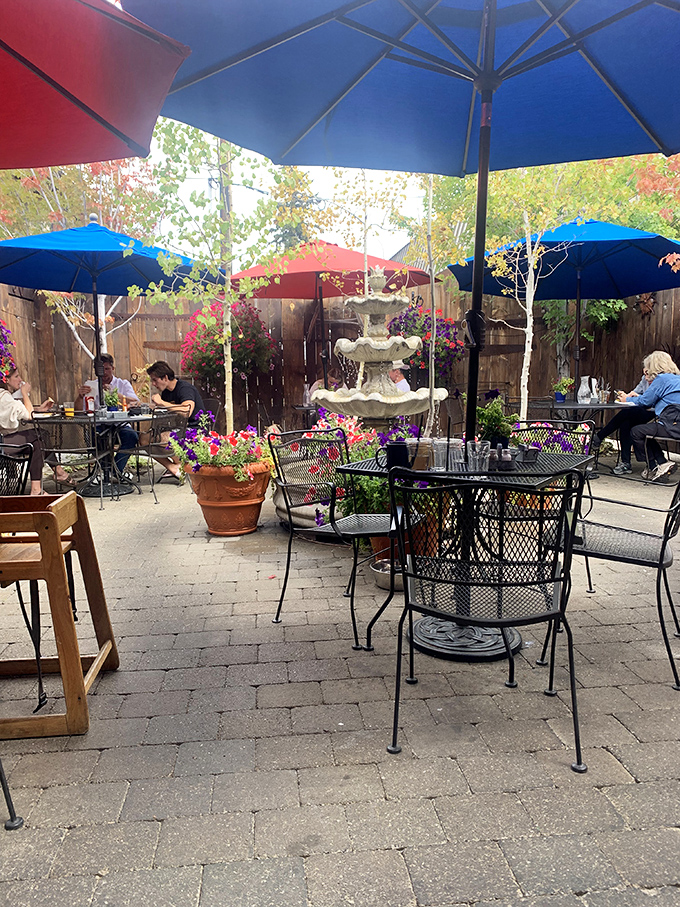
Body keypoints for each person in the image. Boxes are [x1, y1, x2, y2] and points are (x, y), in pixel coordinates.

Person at [0, 366, 72, 494]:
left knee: (38, 441)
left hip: (3, 441)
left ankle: (37, 489)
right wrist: (24, 393)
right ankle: (57, 473)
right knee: (40, 435)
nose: (20, 379)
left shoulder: (5, 396)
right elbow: (28, 415)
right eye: (16, 376)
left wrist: (38, 409)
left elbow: (21, 411)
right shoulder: (3, 396)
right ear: (6, 379)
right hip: (2, 445)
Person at [76, 353, 140, 476]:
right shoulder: (91, 386)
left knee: (132, 437)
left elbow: (137, 402)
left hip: (120, 423)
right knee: (94, 440)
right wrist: (80, 396)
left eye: (107, 369)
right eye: (101, 370)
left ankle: (114, 470)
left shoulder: (123, 384)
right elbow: (79, 411)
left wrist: (116, 395)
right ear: (95, 371)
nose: (104, 373)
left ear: (113, 369)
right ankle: (107, 473)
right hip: (99, 425)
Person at [591, 367, 655, 475]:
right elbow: (633, 393)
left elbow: (651, 401)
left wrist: (636, 398)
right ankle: (626, 464)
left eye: (648, 371)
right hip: (639, 409)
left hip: (652, 411)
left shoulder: (660, 381)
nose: (646, 375)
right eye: (644, 371)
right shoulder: (645, 378)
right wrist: (625, 395)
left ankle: (599, 437)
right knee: (625, 423)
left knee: (626, 414)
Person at [146, 361, 205, 480]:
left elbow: (186, 411)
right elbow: (166, 409)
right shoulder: (167, 392)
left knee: (162, 439)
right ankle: (174, 467)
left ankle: (185, 467)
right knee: (144, 439)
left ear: (165, 377)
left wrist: (162, 403)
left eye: (155, 380)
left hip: (194, 429)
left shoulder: (184, 389)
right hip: (176, 428)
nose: (153, 384)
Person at [627, 351, 680, 481]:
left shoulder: (662, 379)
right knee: (647, 431)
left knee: (636, 431)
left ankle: (653, 467)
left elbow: (645, 402)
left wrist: (626, 398)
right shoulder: (677, 379)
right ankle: (662, 463)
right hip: (675, 423)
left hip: (671, 425)